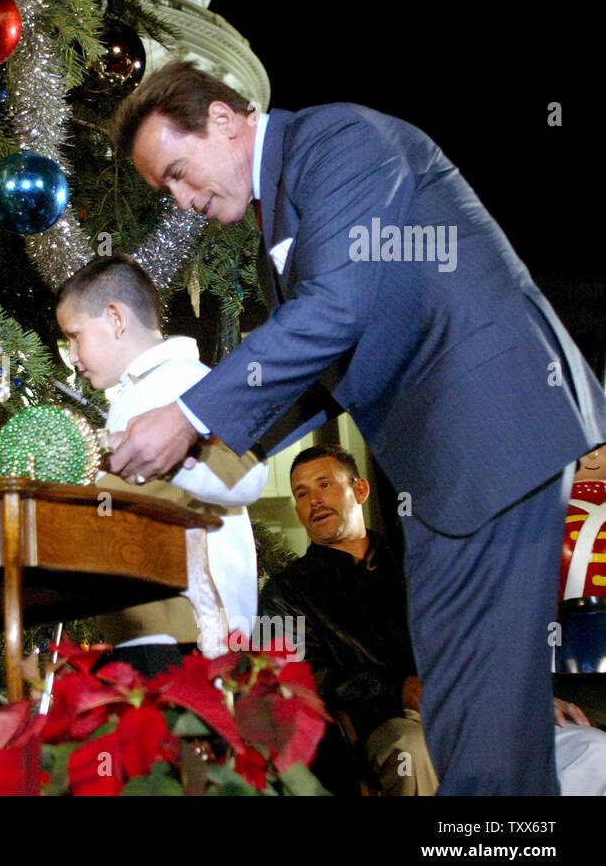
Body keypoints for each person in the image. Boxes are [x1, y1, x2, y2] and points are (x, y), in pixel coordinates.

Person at [104, 61, 606, 794]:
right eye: (166, 190)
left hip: (494, 436)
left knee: (482, 723)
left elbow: (337, 308)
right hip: (448, 472)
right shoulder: (284, 206)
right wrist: (201, 459)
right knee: (471, 713)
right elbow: (319, 369)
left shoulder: (336, 140)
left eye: (179, 173)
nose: (181, 200)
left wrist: (187, 414)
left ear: (223, 118)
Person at [264, 444, 606, 795]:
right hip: (390, 724)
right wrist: (398, 689)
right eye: (302, 493)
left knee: (592, 750)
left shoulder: (424, 560)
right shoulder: (286, 590)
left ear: (361, 490)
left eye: (325, 484)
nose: (314, 500)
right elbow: (290, 676)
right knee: (414, 751)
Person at [55, 254, 267, 669]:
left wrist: (168, 453)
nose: (73, 356)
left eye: (75, 336)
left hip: (194, 636)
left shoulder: (183, 380)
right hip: (151, 630)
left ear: (116, 318)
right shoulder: (136, 394)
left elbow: (249, 476)